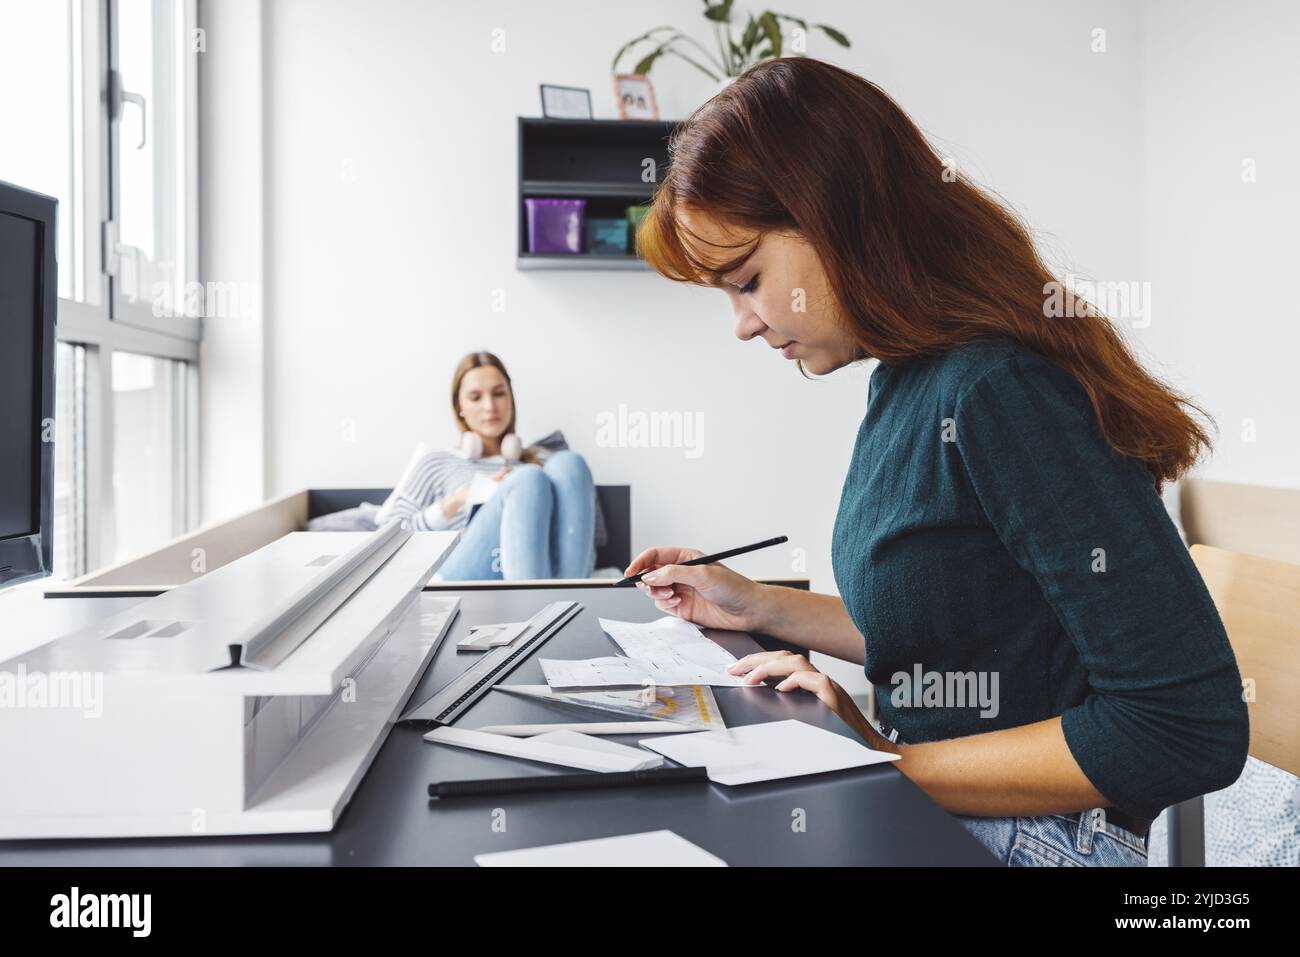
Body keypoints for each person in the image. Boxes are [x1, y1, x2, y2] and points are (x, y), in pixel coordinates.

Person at [622, 57, 1249, 866]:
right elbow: (957, 631)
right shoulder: (908, 380)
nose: (743, 324)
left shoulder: (1002, 388)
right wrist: (754, 607)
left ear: (838, 218)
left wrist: (885, 761)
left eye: (747, 281)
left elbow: (1184, 726)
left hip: (1045, 842)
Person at [376, 351, 595, 580]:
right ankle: (535, 604)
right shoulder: (437, 462)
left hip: (545, 569)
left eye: (499, 394)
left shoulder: (539, 463)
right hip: (460, 572)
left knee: (569, 463)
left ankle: (571, 601)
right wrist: (459, 499)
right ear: (458, 404)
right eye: (475, 397)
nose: (490, 406)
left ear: (510, 398)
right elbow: (387, 538)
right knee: (528, 479)